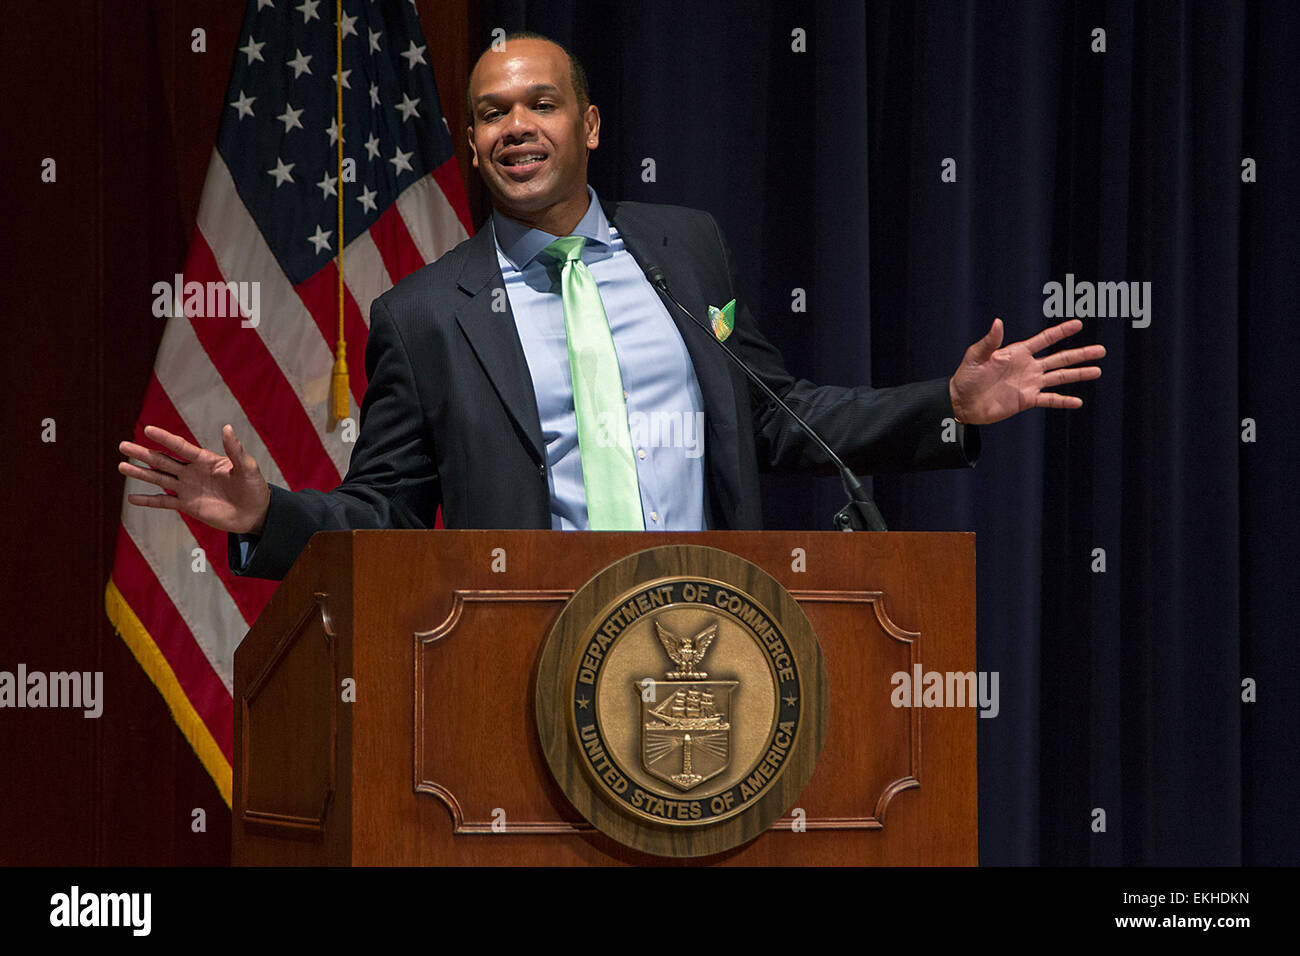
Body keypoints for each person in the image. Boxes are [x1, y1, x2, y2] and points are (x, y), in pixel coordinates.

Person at [117, 33, 1104, 581]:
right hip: (524, 648)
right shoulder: (422, 315)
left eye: (539, 104)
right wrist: (264, 513)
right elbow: (385, 512)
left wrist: (948, 401)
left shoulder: (685, 248)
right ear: (471, 141)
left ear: (586, 125)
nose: (517, 128)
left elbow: (773, 414)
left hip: (716, 632)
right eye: (494, 113)